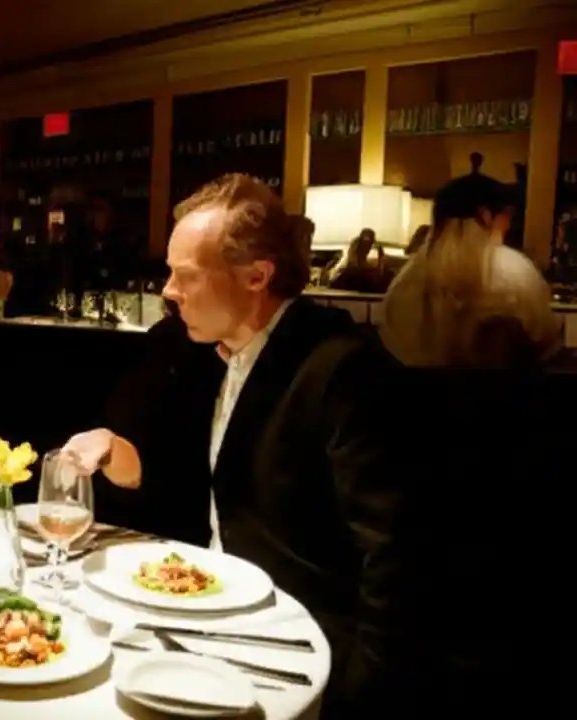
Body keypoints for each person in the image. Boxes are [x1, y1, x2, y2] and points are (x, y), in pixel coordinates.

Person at [62, 174, 398, 717]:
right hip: (214, 627)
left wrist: (358, 695)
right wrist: (113, 449)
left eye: (186, 276)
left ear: (257, 277)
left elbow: (394, 557)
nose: (168, 291)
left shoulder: (341, 371)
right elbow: (193, 487)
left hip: (298, 655)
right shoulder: (216, 355)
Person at [379, 168, 558, 367]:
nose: (508, 225)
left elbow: (390, 340)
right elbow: (545, 337)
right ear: (486, 215)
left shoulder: (408, 277)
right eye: (506, 215)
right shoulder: (515, 270)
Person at [328, 229, 393, 293]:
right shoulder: (349, 269)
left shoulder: (370, 267)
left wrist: (380, 261)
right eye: (363, 245)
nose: (366, 248)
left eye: (369, 245)